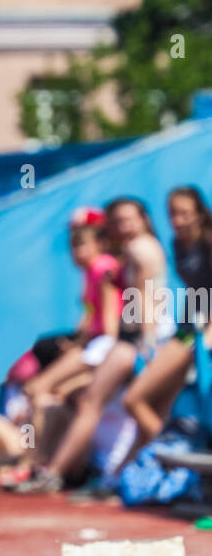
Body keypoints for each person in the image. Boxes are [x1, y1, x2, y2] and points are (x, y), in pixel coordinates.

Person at [19, 197, 168, 493]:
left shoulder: (131, 252)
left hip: (133, 339)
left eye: (128, 220)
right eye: (118, 222)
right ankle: (59, 467)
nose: (123, 227)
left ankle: (45, 468)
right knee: (81, 400)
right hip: (129, 338)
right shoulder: (128, 253)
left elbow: (141, 303)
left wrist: (146, 345)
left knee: (81, 401)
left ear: (144, 219)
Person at [118, 186, 212, 465]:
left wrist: (207, 331)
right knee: (145, 401)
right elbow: (192, 291)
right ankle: (169, 455)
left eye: (184, 213)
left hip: (203, 332)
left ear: (199, 214)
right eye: (173, 213)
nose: (178, 220)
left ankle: (169, 457)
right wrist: (181, 330)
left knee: (136, 400)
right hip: (188, 331)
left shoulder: (209, 241)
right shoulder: (176, 243)